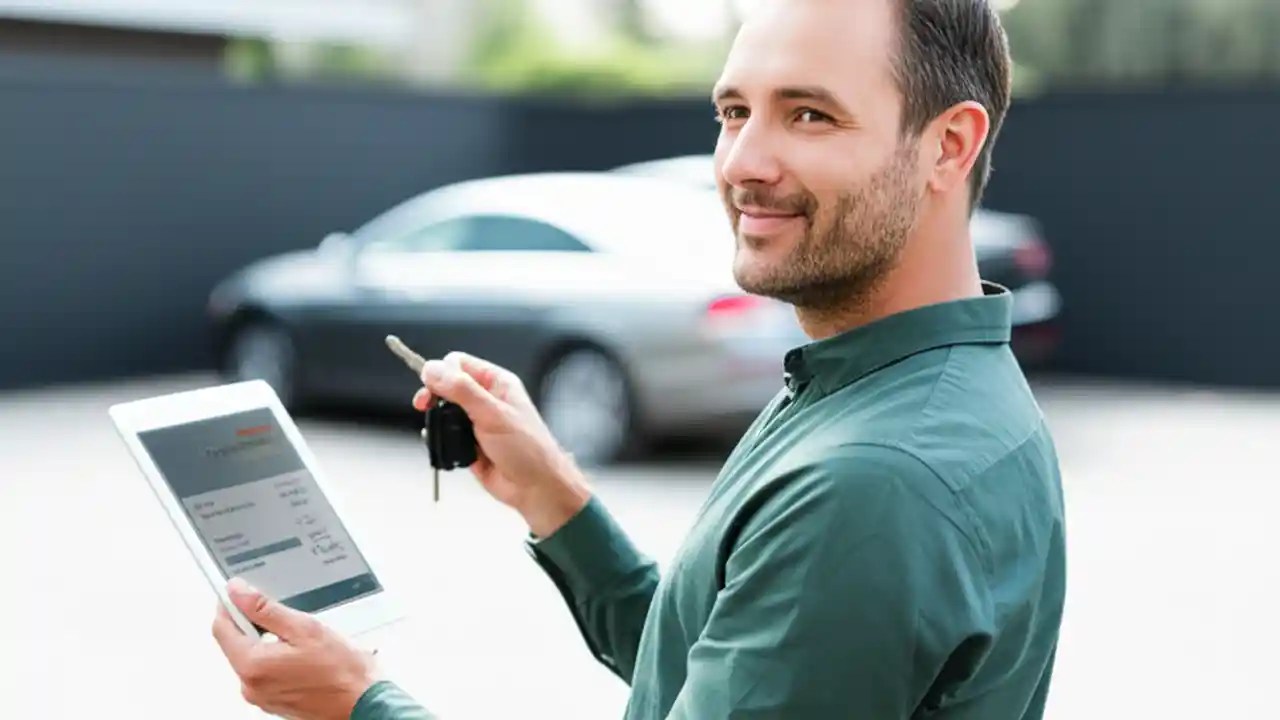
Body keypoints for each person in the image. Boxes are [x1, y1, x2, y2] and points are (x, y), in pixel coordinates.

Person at [210, 0, 1068, 717]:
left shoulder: (876, 476)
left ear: (948, 146)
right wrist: (554, 496)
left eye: (808, 113)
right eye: (734, 112)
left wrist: (359, 702)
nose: (742, 163)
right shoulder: (910, 384)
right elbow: (721, 666)